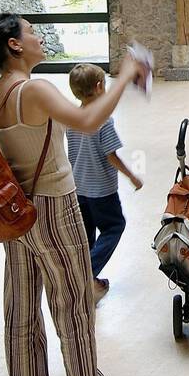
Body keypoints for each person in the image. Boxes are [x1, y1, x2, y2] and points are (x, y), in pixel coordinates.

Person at [0, 13, 148, 376]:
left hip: (13, 212)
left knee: (21, 305)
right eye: (30, 32)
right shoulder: (33, 89)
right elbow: (88, 121)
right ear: (14, 45)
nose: (38, 36)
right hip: (53, 207)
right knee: (73, 306)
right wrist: (125, 75)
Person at [66, 63, 143, 301]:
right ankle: (87, 275)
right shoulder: (103, 122)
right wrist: (132, 175)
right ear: (99, 87)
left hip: (79, 188)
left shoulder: (72, 118)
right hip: (101, 191)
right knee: (114, 227)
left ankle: (84, 279)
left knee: (86, 235)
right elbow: (111, 155)